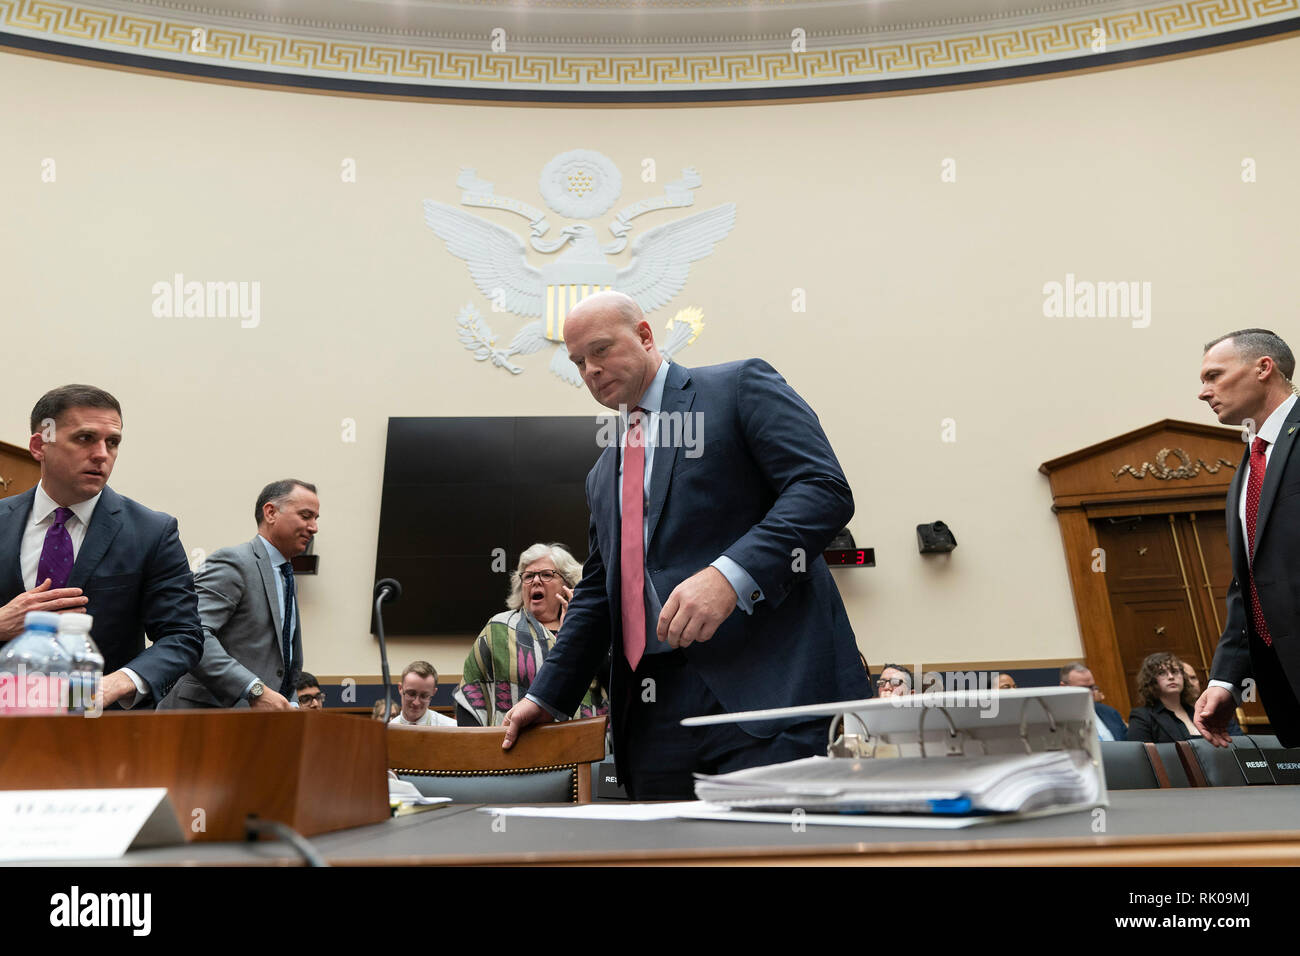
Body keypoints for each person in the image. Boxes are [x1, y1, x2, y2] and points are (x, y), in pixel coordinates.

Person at [501, 291, 870, 799]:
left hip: (763, 695)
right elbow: (598, 594)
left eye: (602, 350)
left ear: (647, 335)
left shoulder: (737, 387)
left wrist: (730, 575)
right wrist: (546, 695)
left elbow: (822, 489)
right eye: (579, 362)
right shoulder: (602, 474)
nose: (590, 369)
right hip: (652, 718)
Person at [0, 385, 202, 707]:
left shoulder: (152, 532)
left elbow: (182, 637)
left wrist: (117, 684)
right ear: (40, 446)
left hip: (102, 728)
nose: (101, 454)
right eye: (85, 438)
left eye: (113, 442)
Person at [1195, 329, 1300, 746]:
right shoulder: (1249, 466)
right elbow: (1250, 586)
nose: (1203, 393)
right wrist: (1226, 679)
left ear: (1263, 368)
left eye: (1213, 376)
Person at [159, 480, 319, 710]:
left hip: (262, 725)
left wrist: (290, 703)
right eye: (306, 516)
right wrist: (254, 689)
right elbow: (192, 635)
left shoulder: (286, 575)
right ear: (271, 512)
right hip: (205, 722)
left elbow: (282, 665)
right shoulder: (234, 563)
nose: (313, 527)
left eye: (315, 519)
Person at [453, 543, 608, 726]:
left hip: (581, 746)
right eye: (528, 576)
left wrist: (576, 630)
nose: (536, 581)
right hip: (513, 746)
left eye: (546, 575)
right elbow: (471, 690)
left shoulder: (589, 629)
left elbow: (608, 679)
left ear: (567, 584)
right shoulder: (498, 629)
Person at [1126, 653, 1201, 743]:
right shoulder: (1142, 717)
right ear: (1152, 680)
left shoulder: (1197, 711)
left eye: (1174, 672)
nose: (1171, 677)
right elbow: (1140, 754)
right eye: (1162, 673)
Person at [1060, 662, 1127, 741]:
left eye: (1092, 687)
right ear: (1064, 687)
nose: (1090, 693)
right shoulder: (1055, 721)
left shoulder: (1110, 713)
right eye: (1083, 688)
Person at [1181, 660, 1241, 735]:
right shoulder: (1178, 714)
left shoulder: (1214, 707)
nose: (1190, 683)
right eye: (1185, 679)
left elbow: (1238, 736)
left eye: (1193, 678)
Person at [391, 661, 456, 727]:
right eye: (411, 694)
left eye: (424, 696)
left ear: (433, 692)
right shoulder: (387, 731)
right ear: (400, 688)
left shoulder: (451, 728)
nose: (416, 703)